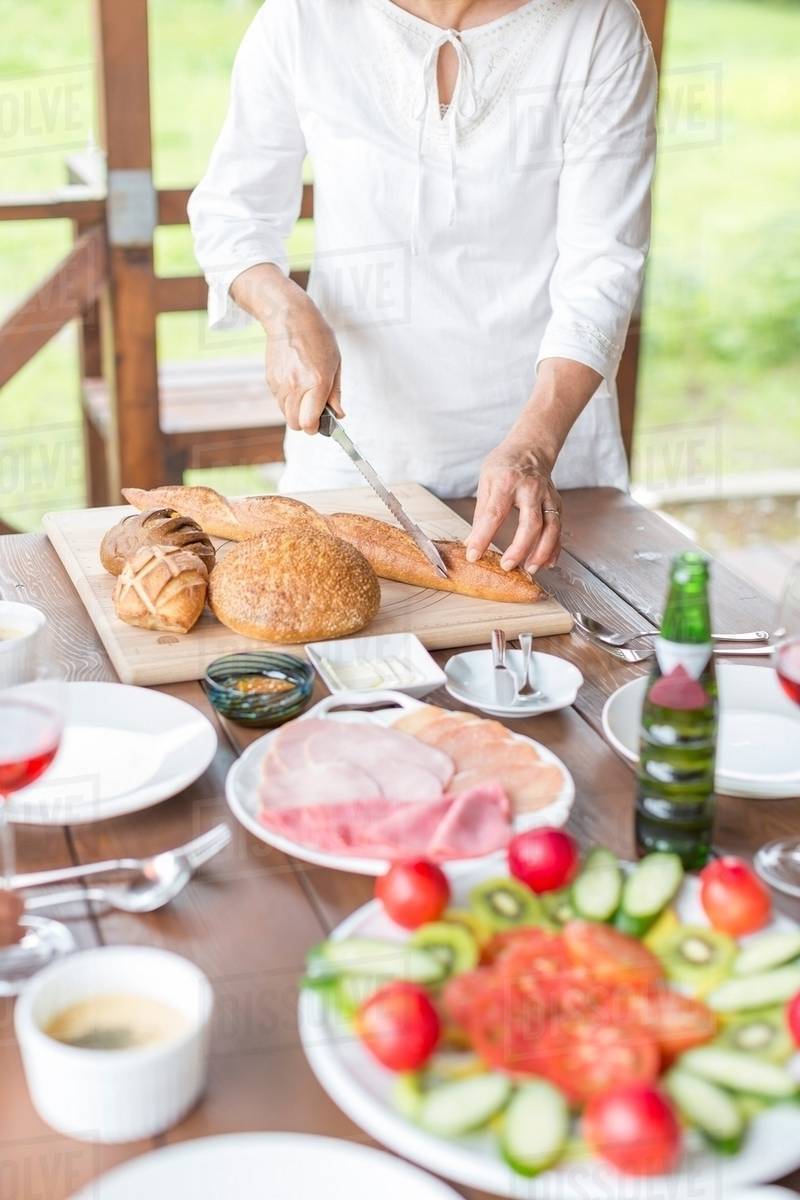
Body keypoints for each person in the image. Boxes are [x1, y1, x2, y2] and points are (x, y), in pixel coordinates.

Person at [189, 0, 657, 573]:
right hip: (356, 451)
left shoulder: (598, 23)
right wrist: (285, 312)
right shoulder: (303, 17)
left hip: (547, 463)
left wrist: (533, 445)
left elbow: (603, 262)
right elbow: (234, 213)